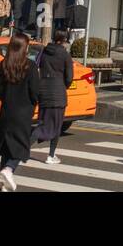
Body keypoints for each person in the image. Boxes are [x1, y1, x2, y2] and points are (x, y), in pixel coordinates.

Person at [0, 32, 40, 191]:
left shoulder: (2, 65)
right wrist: (34, 102)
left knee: (6, 146)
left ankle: (3, 184)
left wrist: (6, 99)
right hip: (23, 112)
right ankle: (9, 169)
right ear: (24, 47)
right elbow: (35, 91)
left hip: (6, 111)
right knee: (20, 146)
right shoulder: (30, 66)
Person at [33, 30, 75, 165]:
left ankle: (24, 149)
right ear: (64, 40)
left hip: (43, 90)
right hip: (58, 93)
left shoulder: (43, 51)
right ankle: (51, 155)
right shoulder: (65, 55)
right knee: (56, 125)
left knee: (43, 122)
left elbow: (36, 66)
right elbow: (69, 77)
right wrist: (63, 86)